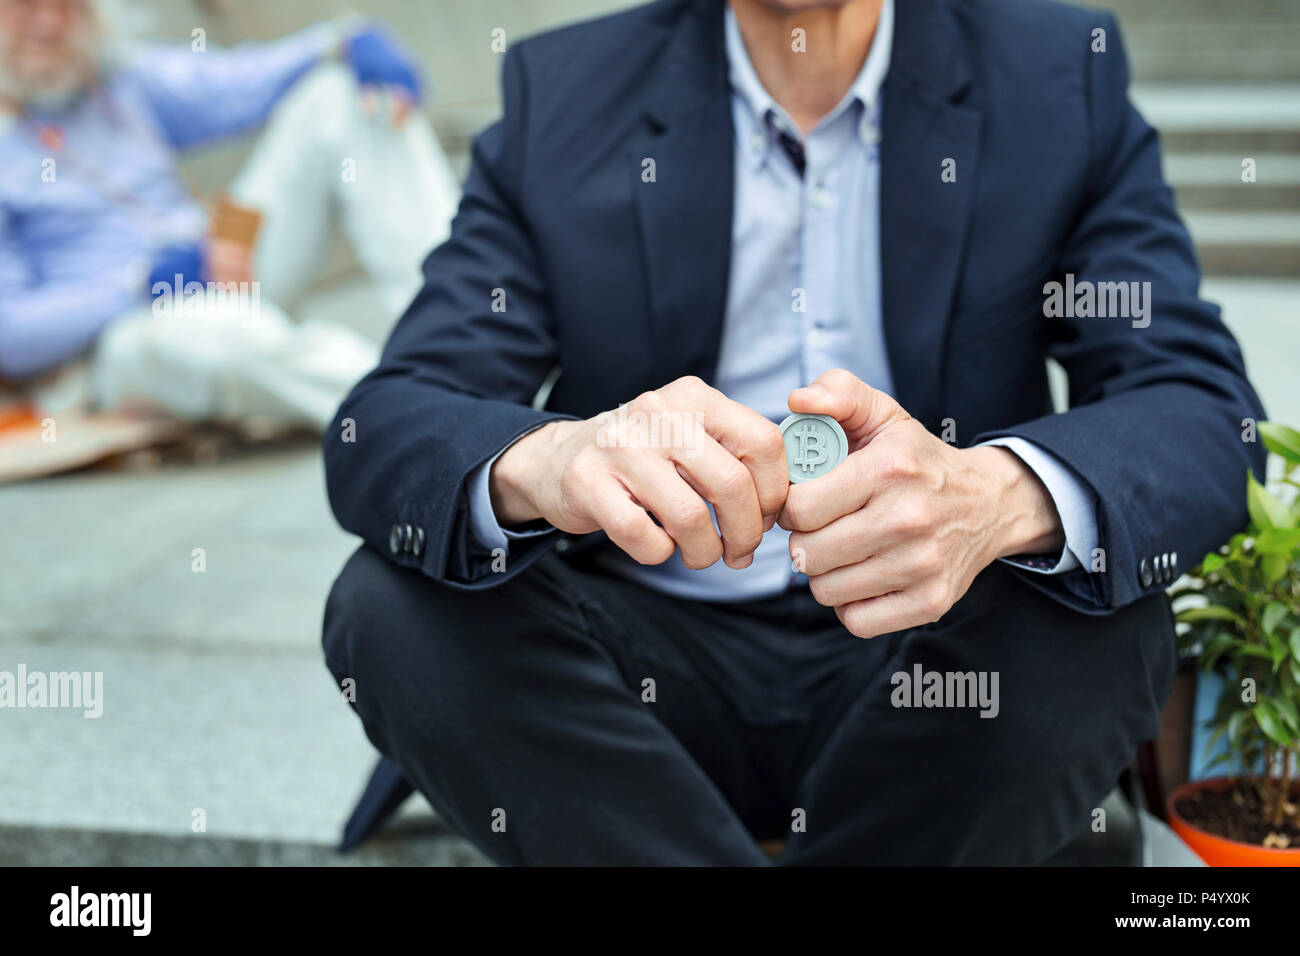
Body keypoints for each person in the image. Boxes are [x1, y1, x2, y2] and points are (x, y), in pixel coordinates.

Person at [321, 0, 1266, 865]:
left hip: (935, 674)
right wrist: (555, 455)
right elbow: (387, 421)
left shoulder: (1059, 73)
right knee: (392, 607)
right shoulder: (564, 89)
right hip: (642, 695)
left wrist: (994, 497)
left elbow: (1203, 407)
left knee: (1099, 616)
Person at [0, 0, 459, 430]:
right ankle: (426, 405)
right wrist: (142, 283)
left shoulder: (118, 80)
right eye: (25, 5)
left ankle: (459, 333)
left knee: (339, 94)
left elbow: (244, 80)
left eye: (63, 3)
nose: (48, 23)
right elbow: (11, 334)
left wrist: (342, 40)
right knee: (218, 338)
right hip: (120, 334)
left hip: (218, 258)